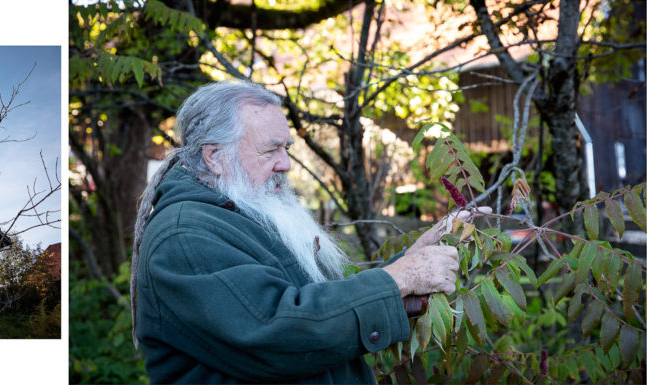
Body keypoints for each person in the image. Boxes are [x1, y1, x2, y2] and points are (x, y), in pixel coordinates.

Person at [130, 80, 483, 384]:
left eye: (286, 148)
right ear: (214, 157)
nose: (285, 163)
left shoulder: (236, 213)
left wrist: (408, 263)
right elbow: (277, 332)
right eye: (271, 150)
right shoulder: (185, 237)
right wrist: (398, 279)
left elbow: (317, 302)